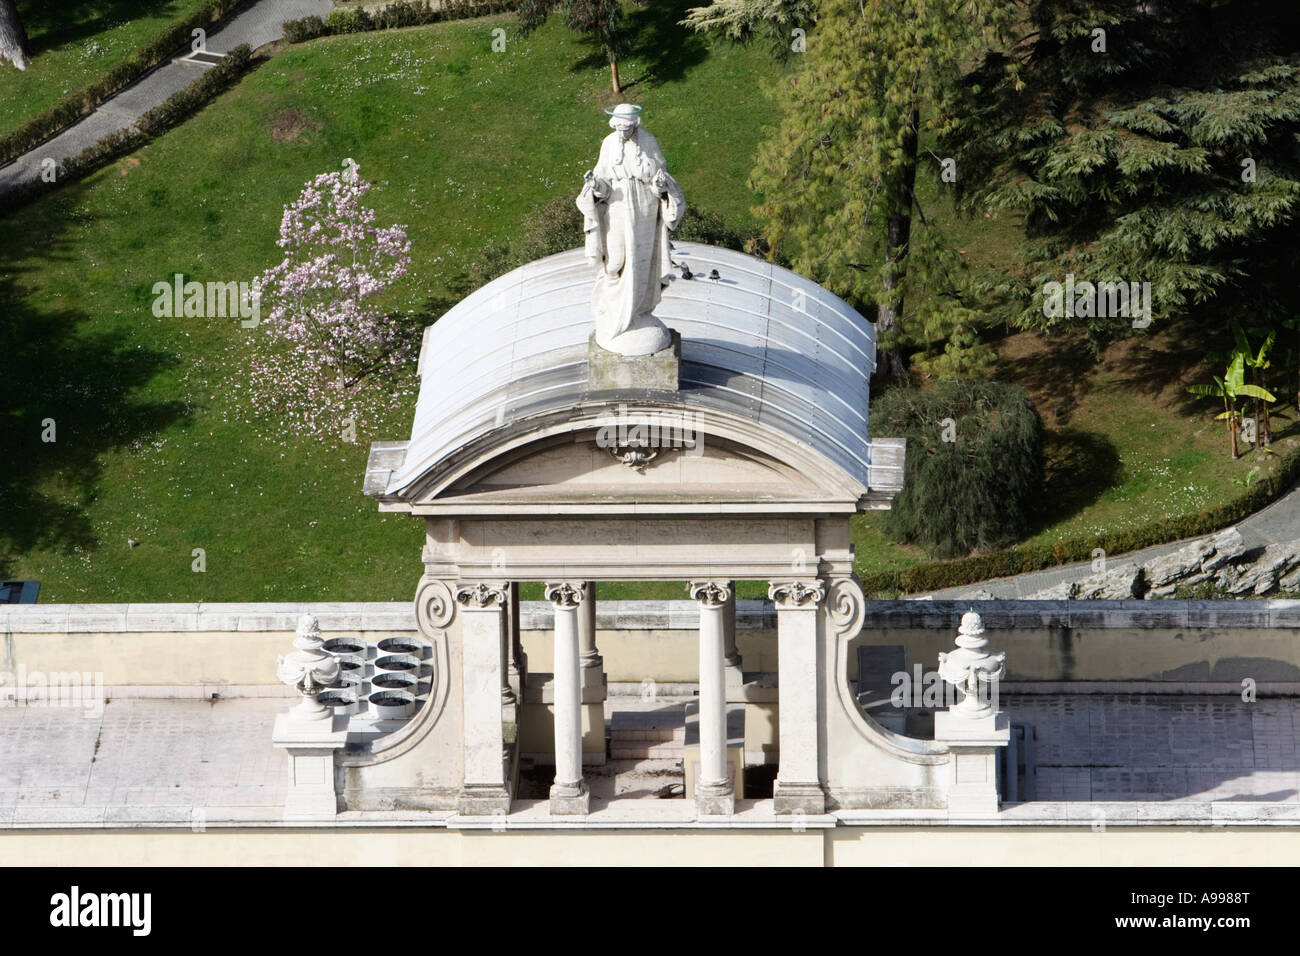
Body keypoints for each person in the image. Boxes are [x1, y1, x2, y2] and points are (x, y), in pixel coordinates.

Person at [576, 104, 684, 356]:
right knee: (615, 263)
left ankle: (637, 313)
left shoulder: (648, 141)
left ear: (635, 125)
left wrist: (659, 184)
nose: (622, 133)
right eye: (618, 128)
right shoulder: (608, 143)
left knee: (642, 261)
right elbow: (604, 180)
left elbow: (661, 176)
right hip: (617, 208)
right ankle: (613, 314)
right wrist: (595, 185)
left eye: (627, 128)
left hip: (645, 210)